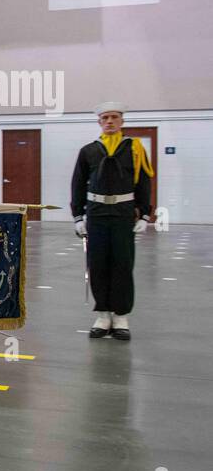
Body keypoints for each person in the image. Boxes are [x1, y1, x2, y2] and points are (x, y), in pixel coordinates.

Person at [71, 101, 153, 341]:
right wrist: (78, 216)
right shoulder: (89, 150)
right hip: (96, 213)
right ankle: (103, 314)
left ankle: (121, 316)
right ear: (99, 122)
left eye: (114, 117)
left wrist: (145, 214)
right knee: (97, 264)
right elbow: (77, 184)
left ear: (122, 121)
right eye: (105, 117)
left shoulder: (134, 148)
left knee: (122, 264)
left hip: (123, 213)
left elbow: (144, 183)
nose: (109, 121)